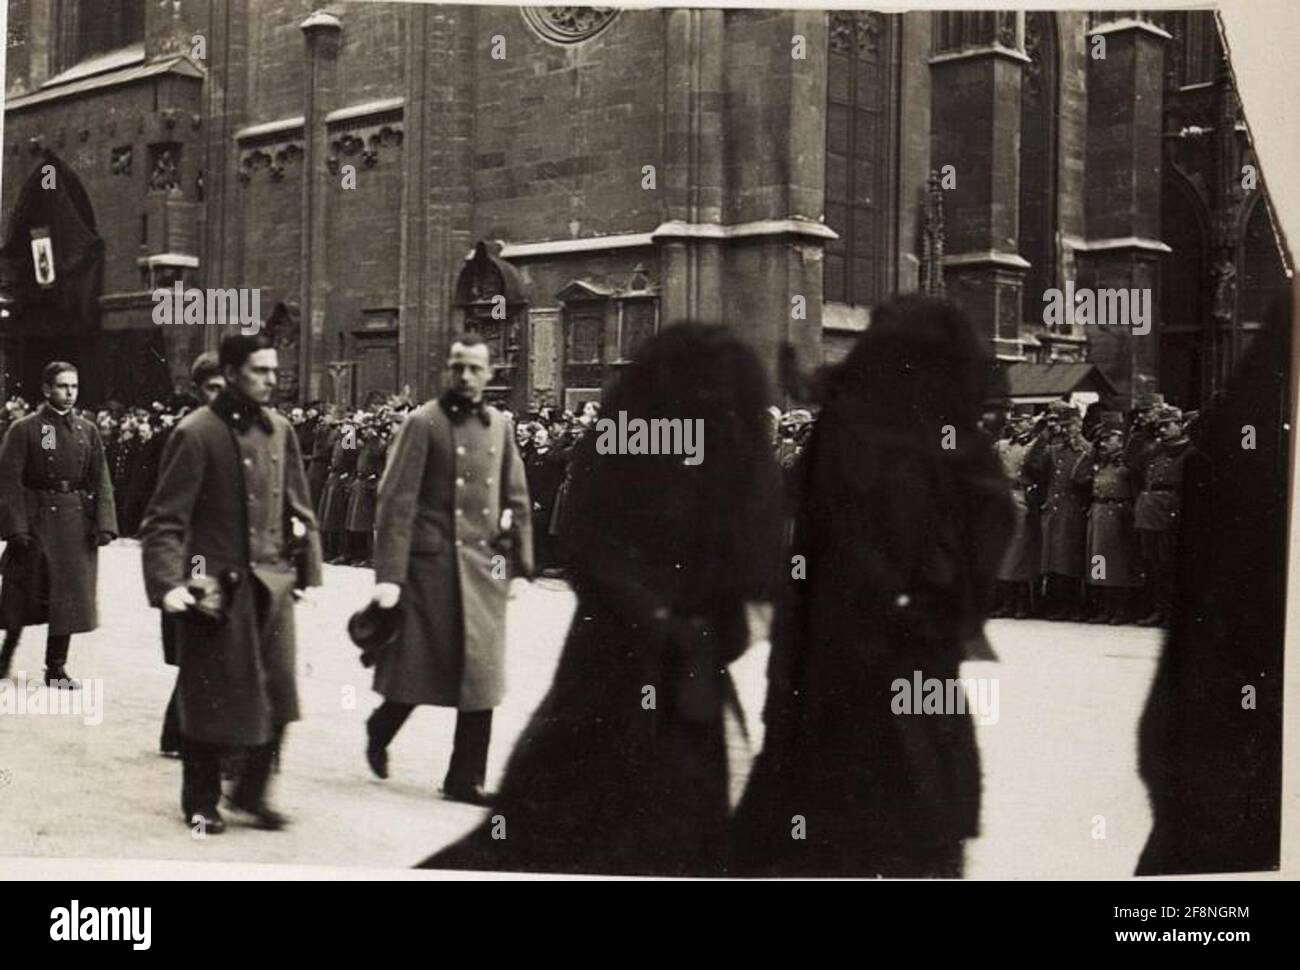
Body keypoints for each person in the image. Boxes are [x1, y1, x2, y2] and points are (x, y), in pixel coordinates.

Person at [422, 322, 780, 875]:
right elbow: (750, 590)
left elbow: (586, 536)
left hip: (607, 679)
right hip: (671, 696)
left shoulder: (629, 440)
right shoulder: (720, 455)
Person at [731, 295, 1013, 878]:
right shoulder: (934, 438)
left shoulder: (853, 428)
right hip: (902, 687)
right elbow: (989, 521)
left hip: (831, 690)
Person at [140, 333, 322, 834]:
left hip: (274, 584)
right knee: (210, 696)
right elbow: (165, 520)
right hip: (216, 587)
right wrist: (171, 583)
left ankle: (251, 793)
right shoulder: (197, 432)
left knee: (278, 695)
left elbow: (299, 507)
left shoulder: (280, 429)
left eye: (274, 370)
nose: (272, 379)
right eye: (260, 370)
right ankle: (200, 801)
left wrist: (304, 570)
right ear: (234, 371)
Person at [364, 334, 533, 805]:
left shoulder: (499, 424)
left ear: (489, 373)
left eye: (475, 368)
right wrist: (390, 577)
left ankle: (465, 778)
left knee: (481, 672)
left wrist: (516, 562)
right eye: (457, 367)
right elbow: (395, 501)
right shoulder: (423, 423)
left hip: (483, 569)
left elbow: (515, 494)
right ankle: (380, 726)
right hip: (430, 566)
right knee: (422, 663)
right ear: (448, 369)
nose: (465, 376)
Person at [0, 361, 118, 685]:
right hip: (37, 520)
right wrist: (17, 527)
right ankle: (5, 654)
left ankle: (56, 666)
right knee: (21, 593)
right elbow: (9, 481)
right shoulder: (29, 429)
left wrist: (105, 523)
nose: (70, 393)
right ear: (47, 389)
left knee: (68, 597)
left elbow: (101, 479)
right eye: (63, 386)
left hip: (74, 523)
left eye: (74, 387)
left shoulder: (86, 430)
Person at [158, 352, 226, 757]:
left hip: (221, 551)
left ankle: (175, 733)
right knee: (198, 646)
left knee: (205, 649)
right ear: (199, 391)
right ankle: (179, 733)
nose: (220, 396)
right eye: (212, 389)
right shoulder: (189, 434)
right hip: (194, 554)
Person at [1071, 417, 1142, 624]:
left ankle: (1119, 609)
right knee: (1098, 563)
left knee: (1119, 564)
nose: (1103, 444)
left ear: (1119, 441)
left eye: (1107, 440)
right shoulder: (1097, 462)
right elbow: (1078, 478)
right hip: (1099, 513)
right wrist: (1090, 452)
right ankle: (1103, 607)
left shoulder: (1127, 463)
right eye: (1101, 440)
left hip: (1119, 513)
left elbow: (1136, 485)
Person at [1133, 405, 1197, 627]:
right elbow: (1134, 466)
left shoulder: (1190, 450)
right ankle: (1157, 610)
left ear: (1180, 426)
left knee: (1167, 564)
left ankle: (1171, 613)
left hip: (1170, 509)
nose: (1163, 430)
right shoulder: (1154, 450)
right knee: (1151, 563)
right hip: (1149, 510)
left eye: (1167, 425)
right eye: (1160, 426)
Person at [1026, 401, 1090, 620]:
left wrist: (1079, 445)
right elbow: (1032, 465)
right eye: (1064, 426)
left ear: (1079, 425)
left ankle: (1073, 606)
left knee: (1070, 562)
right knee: (1052, 562)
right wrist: (1043, 433)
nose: (1066, 430)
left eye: (1070, 425)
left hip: (1073, 512)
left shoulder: (1086, 450)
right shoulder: (1054, 451)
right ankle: (1055, 605)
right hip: (1054, 511)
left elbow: (1085, 479)